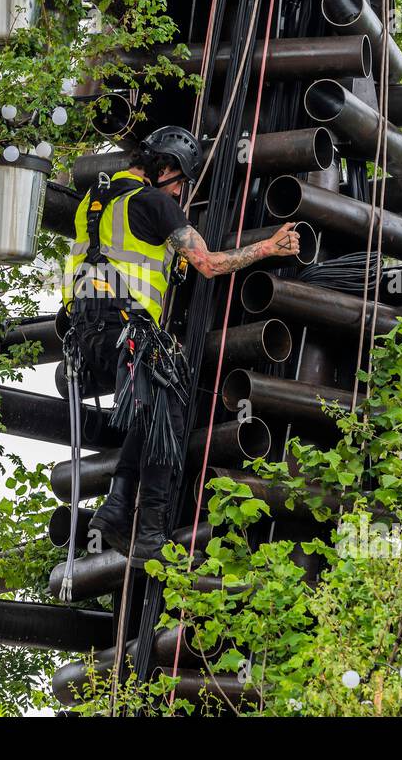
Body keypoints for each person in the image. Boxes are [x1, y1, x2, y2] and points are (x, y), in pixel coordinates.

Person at [61, 126, 302, 564]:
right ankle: (150, 531)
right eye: (180, 183)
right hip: (126, 326)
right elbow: (208, 264)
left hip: (86, 335)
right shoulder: (153, 202)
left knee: (149, 413)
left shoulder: (92, 206)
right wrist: (268, 247)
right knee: (169, 416)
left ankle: (115, 509)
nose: (180, 194)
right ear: (166, 168)